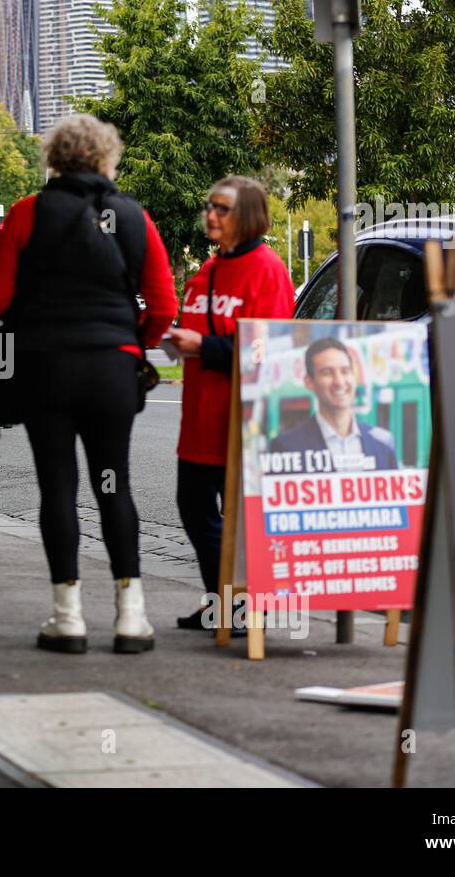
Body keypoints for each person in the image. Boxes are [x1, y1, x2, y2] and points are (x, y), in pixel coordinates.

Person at [0, 113, 178, 655]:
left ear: (53, 159)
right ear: (108, 159)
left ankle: (67, 619)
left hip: (46, 369)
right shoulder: (136, 217)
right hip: (112, 369)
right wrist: (131, 340)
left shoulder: (25, 213)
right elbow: (163, 306)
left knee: (58, 488)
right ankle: (131, 618)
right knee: (114, 483)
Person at [166, 175, 295, 632]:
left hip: (244, 420)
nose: (212, 215)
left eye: (222, 208)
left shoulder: (267, 269)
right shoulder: (207, 269)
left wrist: (202, 345)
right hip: (199, 418)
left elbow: (271, 349)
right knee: (193, 508)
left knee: (237, 522)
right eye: (210, 206)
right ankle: (222, 600)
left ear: (248, 216)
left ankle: (238, 603)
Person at [270, 337, 397, 472]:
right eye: (327, 373)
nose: (339, 382)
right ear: (309, 382)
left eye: (345, 371)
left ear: (354, 377)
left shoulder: (383, 443)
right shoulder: (286, 446)